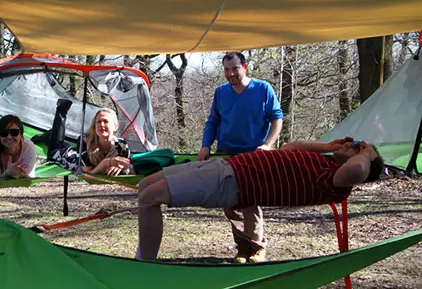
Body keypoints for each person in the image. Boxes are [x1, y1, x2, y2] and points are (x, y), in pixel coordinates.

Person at [135, 138, 384, 261]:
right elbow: (287, 148)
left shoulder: (337, 183)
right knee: (145, 185)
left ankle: (144, 265)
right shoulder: (326, 160)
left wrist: (369, 153)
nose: (351, 144)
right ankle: (143, 261)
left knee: (149, 198)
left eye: (357, 145)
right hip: (227, 166)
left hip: (232, 182)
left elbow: (357, 171)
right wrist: (327, 146)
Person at [198, 51, 283, 263]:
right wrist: (206, 145)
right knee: (229, 200)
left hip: (253, 154)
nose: (231, 74)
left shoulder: (262, 89)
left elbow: (277, 118)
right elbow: (213, 121)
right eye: (227, 70)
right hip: (226, 151)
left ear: (245, 67)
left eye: (235, 69)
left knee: (250, 199)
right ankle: (243, 247)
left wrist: (267, 145)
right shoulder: (221, 92)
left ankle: (257, 246)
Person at [43, 99, 134, 176]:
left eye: (106, 121)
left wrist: (122, 167)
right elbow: (87, 173)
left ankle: (49, 135)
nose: (101, 125)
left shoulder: (122, 145)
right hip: (63, 156)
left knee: (66, 145)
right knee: (56, 148)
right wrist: (107, 163)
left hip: (76, 153)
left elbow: (129, 168)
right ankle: (61, 110)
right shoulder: (85, 141)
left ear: (115, 126)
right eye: (98, 122)